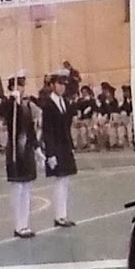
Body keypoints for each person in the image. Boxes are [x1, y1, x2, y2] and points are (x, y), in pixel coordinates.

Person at [1, 72, 40, 239]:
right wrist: (12, 100)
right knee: (17, 190)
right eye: (18, 86)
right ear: (12, 88)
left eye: (22, 86)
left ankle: (25, 224)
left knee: (27, 190)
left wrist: (37, 148)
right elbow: (4, 113)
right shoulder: (10, 105)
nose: (21, 89)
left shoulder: (26, 105)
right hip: (16, 151)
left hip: (27, 151)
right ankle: (18, 225)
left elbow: (30, 129)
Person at [39, 70, 78, 228]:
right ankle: (59, 215)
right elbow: (47, 131)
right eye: (59, 84)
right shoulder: (48, 105)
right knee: (59, 182)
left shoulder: (65, 103)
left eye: (63, 84)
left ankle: (63, 214)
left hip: (65, 147)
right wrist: (51, 154)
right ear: (53, 85)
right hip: (56, 148)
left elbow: (66, 128)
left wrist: (71, 146)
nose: (62, 87)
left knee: (65, 181)